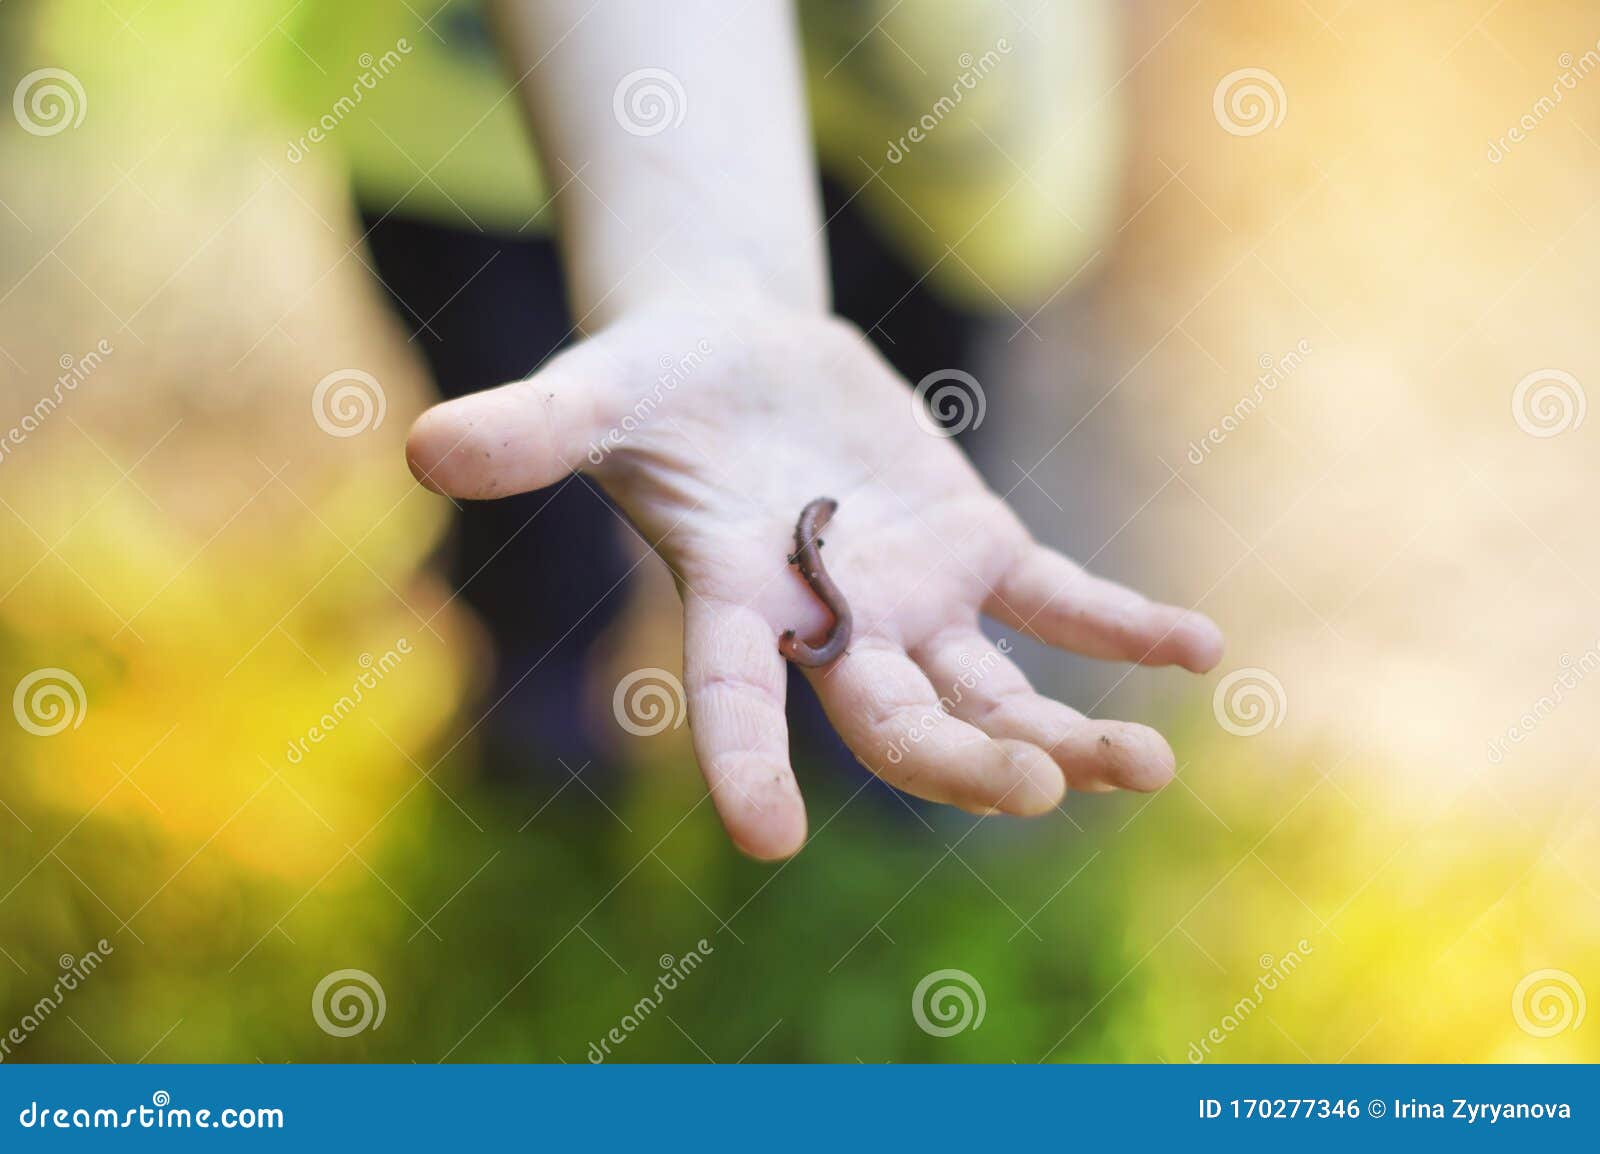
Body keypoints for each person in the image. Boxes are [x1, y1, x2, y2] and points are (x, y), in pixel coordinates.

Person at [399, 1, 1224, 861]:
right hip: (469, 149)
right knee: (539, 544)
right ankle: (545, 736)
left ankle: (851, 792)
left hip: (938, 136)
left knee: (915, 382)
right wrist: (704, 284)